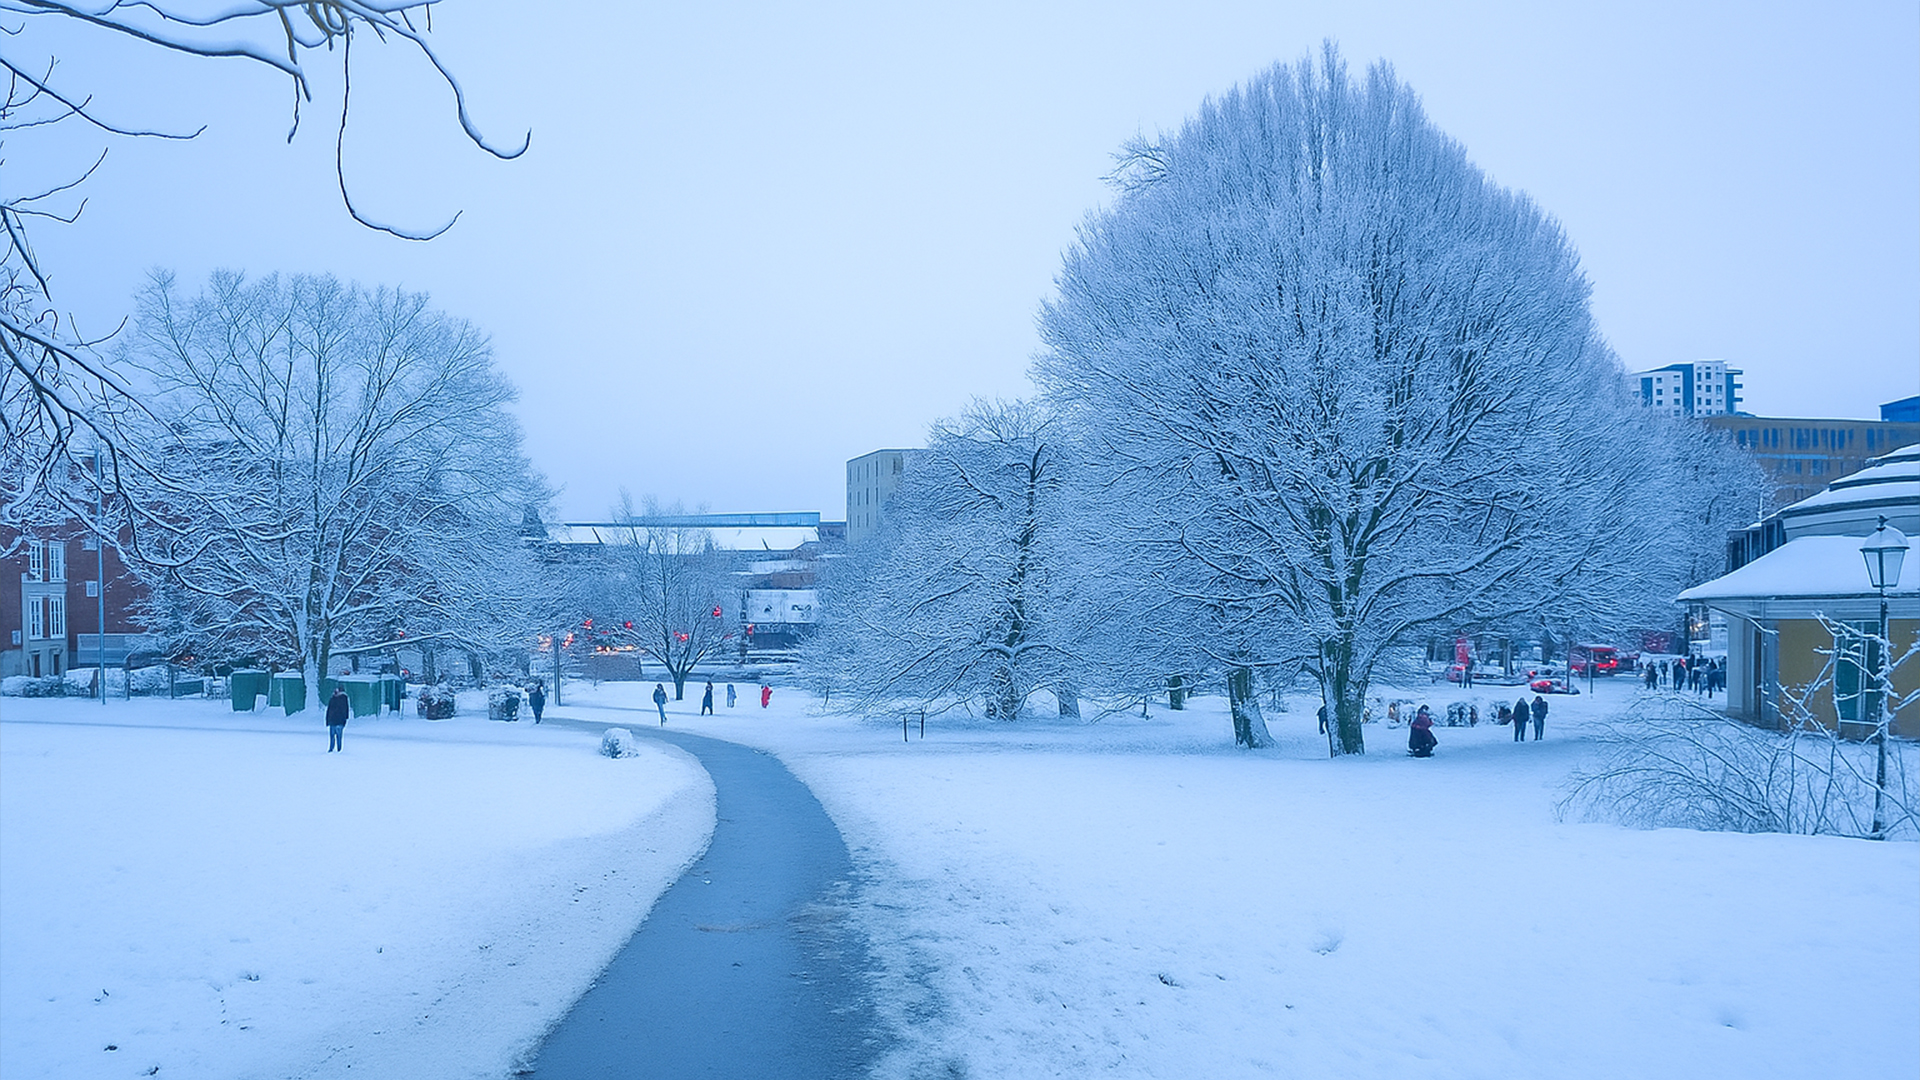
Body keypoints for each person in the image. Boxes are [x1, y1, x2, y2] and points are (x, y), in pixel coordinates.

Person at [325, 685, 349, 752]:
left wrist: (344, 719)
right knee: (332, 736)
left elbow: (345, 710)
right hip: (333, 720)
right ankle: (331, 748)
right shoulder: (332, 698)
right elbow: (329, 710)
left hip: (339, 720)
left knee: (338, 736)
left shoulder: (343, 699)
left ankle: (338, 749)